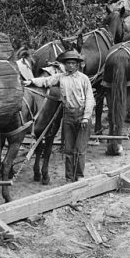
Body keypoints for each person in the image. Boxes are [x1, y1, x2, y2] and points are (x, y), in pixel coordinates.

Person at [24, 49, 95, 182]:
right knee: (68, 149)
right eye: (68, 63)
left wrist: (86, 117)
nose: (70, 66)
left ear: (77, 65)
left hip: (82, 115)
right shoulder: (61, 78)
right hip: (68, 115)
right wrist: (31, 82)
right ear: (65, 65)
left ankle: (78, 176)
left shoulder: (84, 79)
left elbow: (90, 99)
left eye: (73, 63)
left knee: (79, 149)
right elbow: (46, 81)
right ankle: (69, 177)